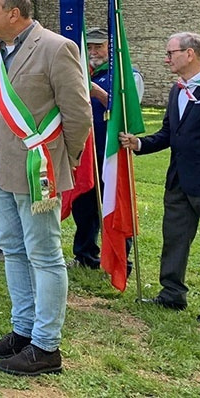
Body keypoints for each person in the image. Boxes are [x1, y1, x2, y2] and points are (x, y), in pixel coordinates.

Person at [0, 0, 92, 376]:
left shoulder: (57, 48)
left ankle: (46, 345)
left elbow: (78, 114)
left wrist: (63, 161)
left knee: (44, 254)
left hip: (37, 169)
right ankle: (22, 331)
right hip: (0, 166)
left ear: (14, 13)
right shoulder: (0, 52)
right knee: (12, 248)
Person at [122, 32, 200, 324]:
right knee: (174, 239)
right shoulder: (178, 90)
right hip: (178, 182)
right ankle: (172, 294)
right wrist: (139, 144)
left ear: (190, 54)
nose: (166, 58)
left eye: (170, 53)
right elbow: (169, 133)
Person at [66, 27, 145, 269]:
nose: (93, 51)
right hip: (85, 152)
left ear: (111, 47)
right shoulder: (81, 72)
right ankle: (85, 255)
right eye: (89, 47)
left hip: (111, 153)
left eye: (98, 46)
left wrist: (97, 92)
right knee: (84, 206)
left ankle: (120, 259)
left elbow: (128, 111)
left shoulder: (127, 75)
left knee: (114, 206)